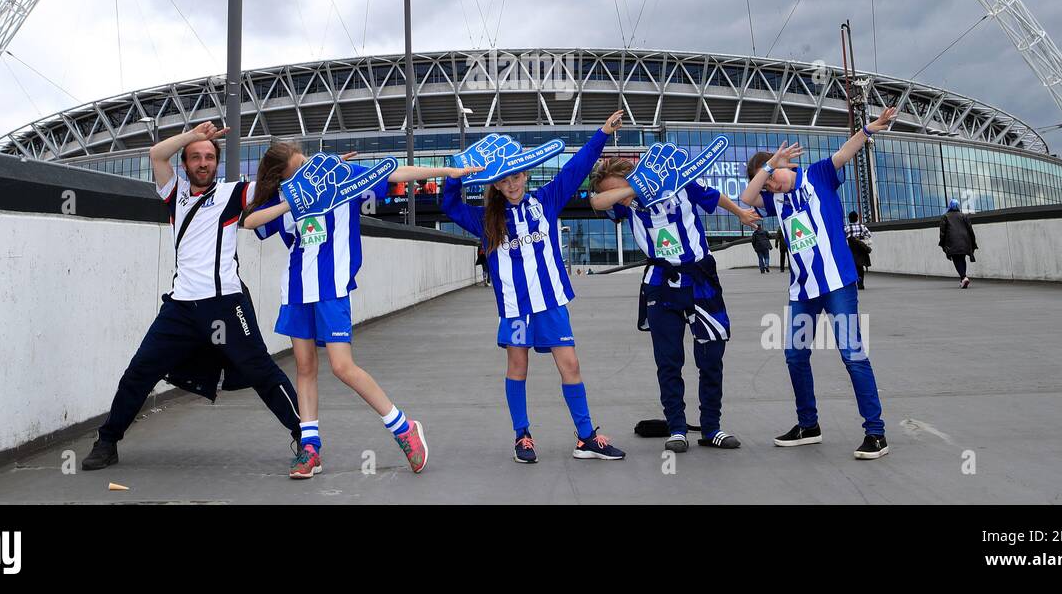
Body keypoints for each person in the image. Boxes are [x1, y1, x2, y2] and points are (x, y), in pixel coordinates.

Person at [243, 143, 480, 478]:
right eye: (296, 169)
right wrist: (290, 199)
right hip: (296, 290)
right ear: (283, 175)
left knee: (342, 367)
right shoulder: (285, 194)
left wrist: (446, 172)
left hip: (333, 289)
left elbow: (393, 170)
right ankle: (310, 449)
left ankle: (403, 428)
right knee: (305, 367)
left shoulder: (340, 177)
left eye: (305, 162)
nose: (306, 169)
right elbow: (251, 221)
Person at [83, 122, 303, 473]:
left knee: (261, 370)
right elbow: (156, 154)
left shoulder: (234, 194)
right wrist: (194, 135)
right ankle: (107, 441)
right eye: (196, 158)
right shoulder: (174, 194)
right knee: (140, 370)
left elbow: (276, 179)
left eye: (210, 157)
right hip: (180, 308)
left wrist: (324, 169)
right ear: (185, 164)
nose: (204, 163)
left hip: (226, 304)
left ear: (217, 163)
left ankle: (305, 437)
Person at [442, 111, 628, 464]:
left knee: (570, 365)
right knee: (518, 368)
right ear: (495, 184)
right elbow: (448, 205)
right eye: (504, 180)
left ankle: (586, 437)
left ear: (526, 174)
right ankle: (522, 436)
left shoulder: (547, 200)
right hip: (515, 309)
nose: (512, 184)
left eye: (517, 176)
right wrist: (455, 172)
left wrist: (602, 133)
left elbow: (576, 168)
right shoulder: (484, 219)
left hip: (552, 302)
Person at [741, 105, 898, 461]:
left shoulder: (818, 175)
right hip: (803, 291)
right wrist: (766, 168)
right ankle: (808, 425)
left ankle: (875, 433)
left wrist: (871, 128)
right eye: (767, 181)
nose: (771, 184)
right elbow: (746, 199)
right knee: (795, 356)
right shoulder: (773, 200)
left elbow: (846, 151)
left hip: (838, 283)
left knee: (852, 354)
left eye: (774, 176)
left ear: (789, 164)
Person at [590, 157, 761, 453]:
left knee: (711, 357)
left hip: (700, 278)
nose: (623, 194)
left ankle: (711, 427)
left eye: (621, 186)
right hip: (660, 283)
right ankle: (678, 428)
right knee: (668, 360)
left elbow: (712, 195)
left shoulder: (679, 185)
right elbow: (597, 203)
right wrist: (631, 189)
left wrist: (740, 214)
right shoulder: (625, 204)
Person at [939, 199, 978, 289]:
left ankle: (964, 277)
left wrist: (942, 243)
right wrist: (973, 242)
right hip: (964, 240)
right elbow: (970, 230)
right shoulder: (964, 216)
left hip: (952, 241)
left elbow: (942, 232)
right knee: (962, 258)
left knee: (956, 259)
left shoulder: (945, 216)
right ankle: (963, 279)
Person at [845, 211, 872, 291]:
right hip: (861, 249)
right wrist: (860, 237)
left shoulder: (846, 228)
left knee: (853, 266)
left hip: (851, 249)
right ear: (857, 218)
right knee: (860, 267)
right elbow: (869, 235)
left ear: (849, 219)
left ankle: (855, 282)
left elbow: (843, 237)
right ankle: (861, 283)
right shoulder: (862, 227)